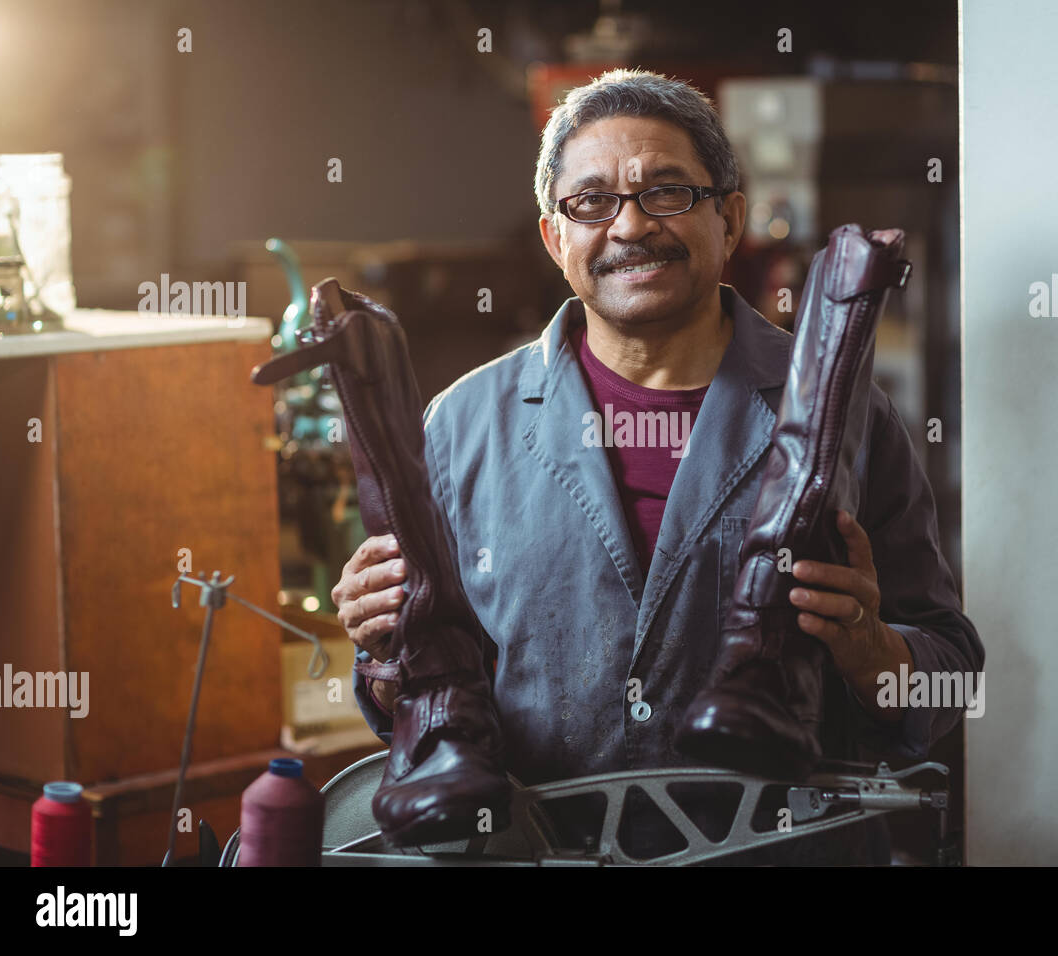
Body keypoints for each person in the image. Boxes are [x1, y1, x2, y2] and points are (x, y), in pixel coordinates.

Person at [331, 68, 983, 864]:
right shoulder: (463, 425)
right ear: (554, 237)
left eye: (667, 192)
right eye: (592, 201)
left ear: (730, 217)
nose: (631, 226)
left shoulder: (851, 417)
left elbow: (952, 676)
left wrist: (871, 648)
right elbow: (420, 701)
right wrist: (384, 650)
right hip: (535, 850)